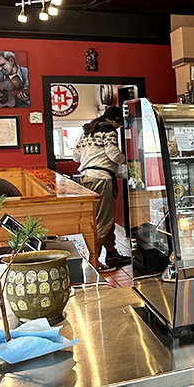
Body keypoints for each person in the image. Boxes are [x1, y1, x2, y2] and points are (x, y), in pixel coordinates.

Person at [73, 106, 130, 273]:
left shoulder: (88, 132)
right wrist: (129, 159)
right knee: (103, 222)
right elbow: (114, 155)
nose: (119, 127)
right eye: (119, 123)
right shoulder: (109, 131)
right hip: (102, 180)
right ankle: (92, 261)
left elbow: (75, 156)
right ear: (114, 120)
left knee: (102, 219)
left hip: (86, 179)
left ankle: (112, 254)